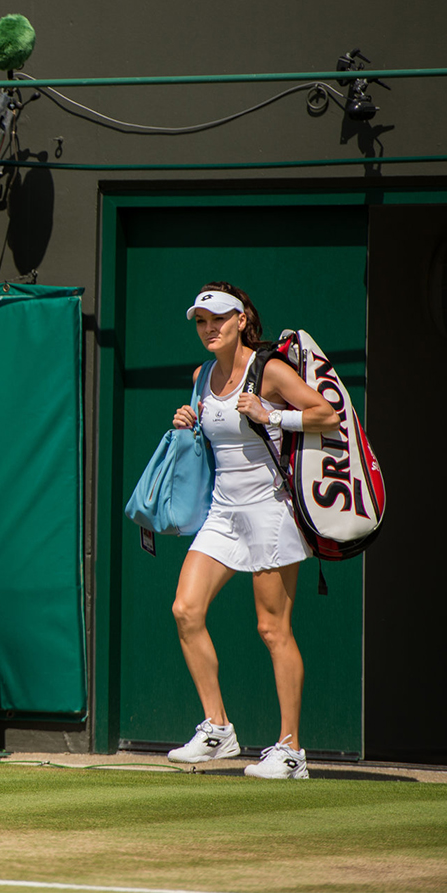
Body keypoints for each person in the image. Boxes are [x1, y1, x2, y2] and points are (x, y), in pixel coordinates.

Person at [166, 283, 337, 779]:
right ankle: (217, 730)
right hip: (223, 513)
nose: (209, 328)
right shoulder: (201, 377)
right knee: (185, 610)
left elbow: (326, 414)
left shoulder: (270, 369)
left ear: (242, 320)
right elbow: (212, 432)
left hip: (270, 512)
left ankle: (291, 752)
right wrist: (188, 422)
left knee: (272, 629)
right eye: (201, 321)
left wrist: (272, 414)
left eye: (218, 318)